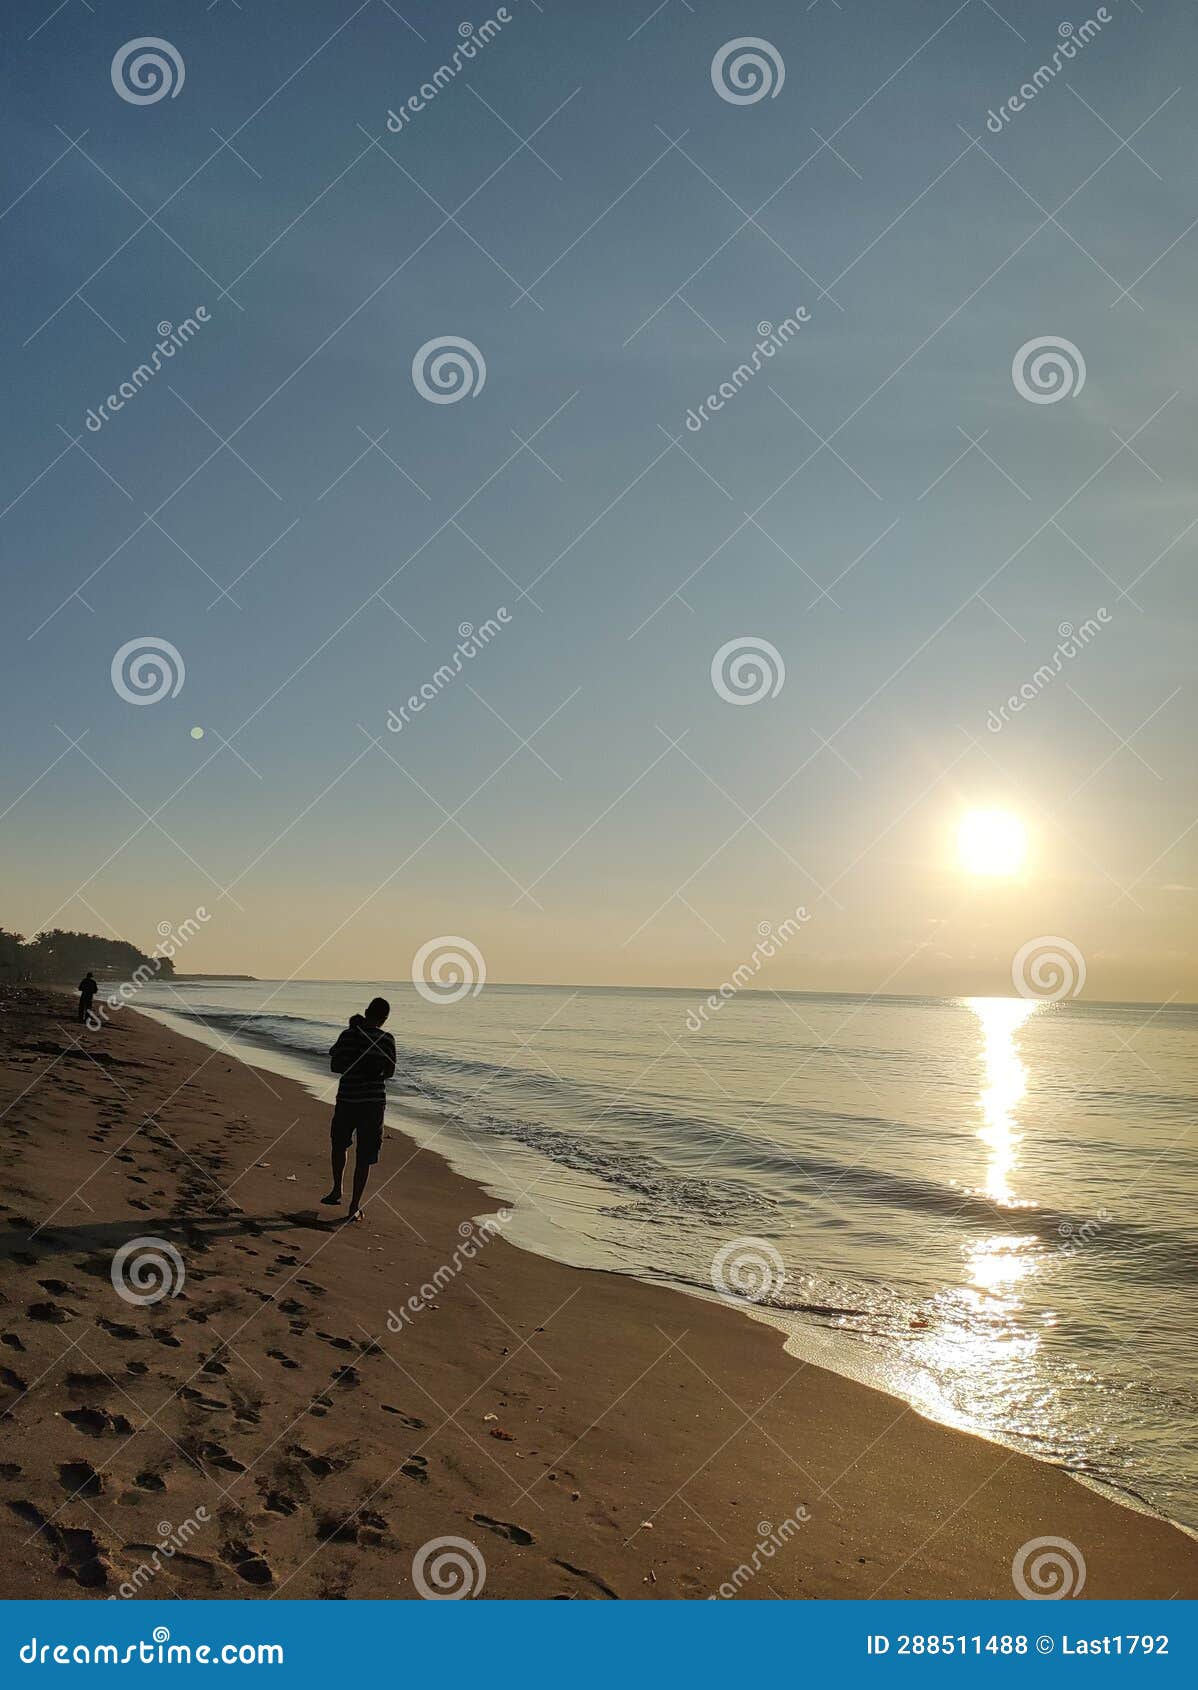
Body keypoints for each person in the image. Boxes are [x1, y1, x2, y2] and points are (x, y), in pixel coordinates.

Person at [322, 997, 396, 1222]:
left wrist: (353, 1067)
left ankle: (337, 1190)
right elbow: (390, 1072)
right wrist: (373, 1071)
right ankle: (354, 1205)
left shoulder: (347, 1035)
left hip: (347, 1098)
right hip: (373, 1103)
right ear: (384, 1019)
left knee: (339, 1144)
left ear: (366, 1012)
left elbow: (335, 1065)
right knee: (365, 1155)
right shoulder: (386, 1039)